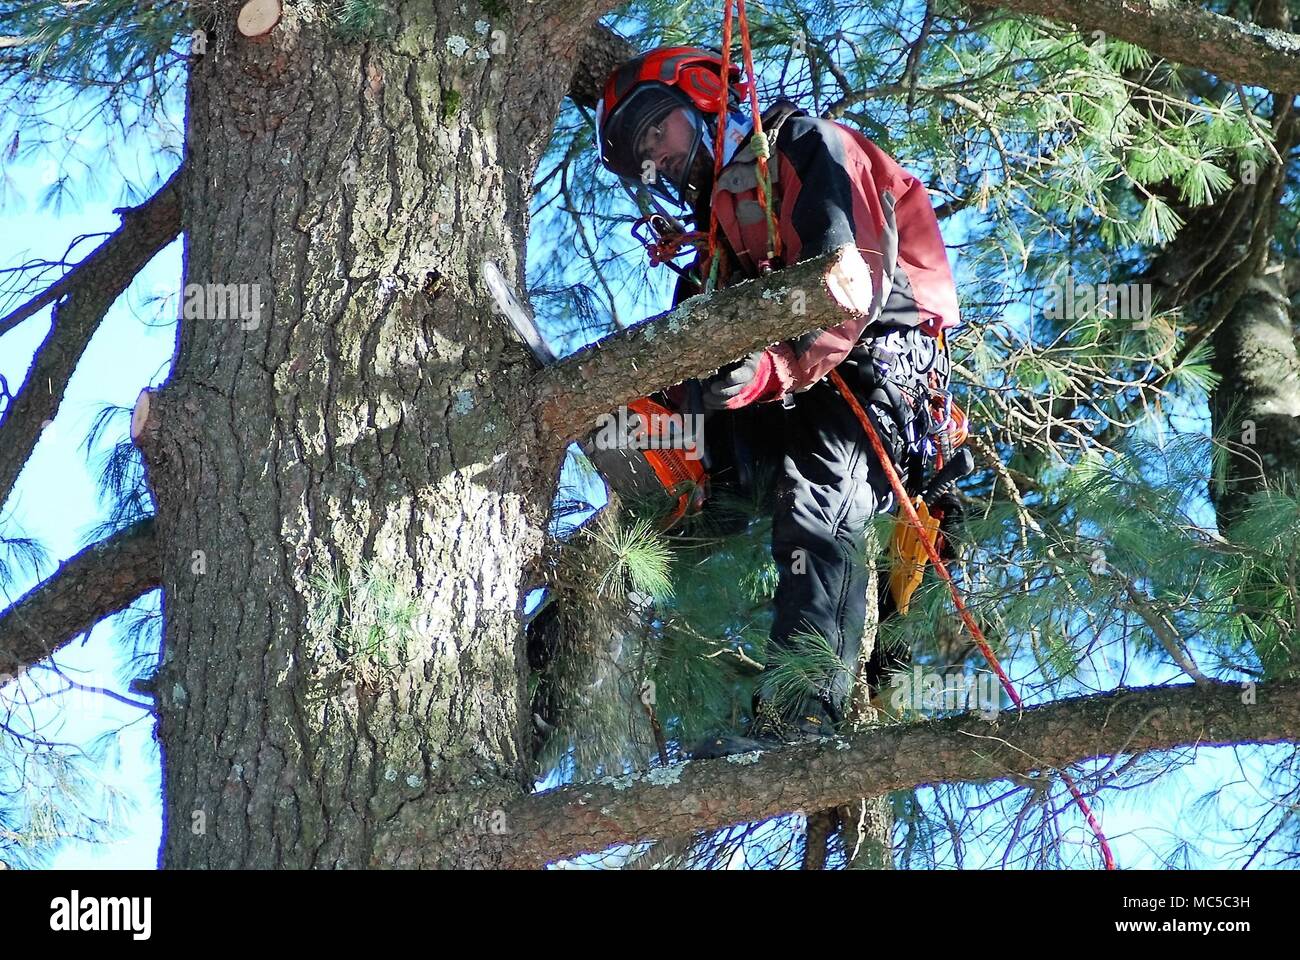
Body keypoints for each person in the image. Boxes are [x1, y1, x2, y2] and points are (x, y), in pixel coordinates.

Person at [594, 46, 962, 753]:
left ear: (700, 94)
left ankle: (802, 714)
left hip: (873, 363)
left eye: (655, 133)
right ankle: (675, 479)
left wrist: (766, 372)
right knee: (706, 496)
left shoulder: (803, 148)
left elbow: (847, 284)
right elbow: (702, 340)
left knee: (815, 496)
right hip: (793, 387)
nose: (654, 161)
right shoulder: (716, 236)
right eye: (639, 156)